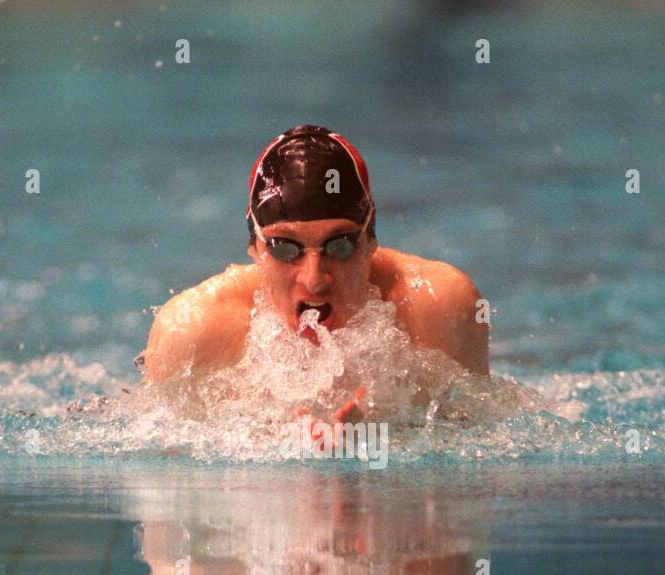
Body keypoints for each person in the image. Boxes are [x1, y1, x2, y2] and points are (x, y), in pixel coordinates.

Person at [139, 125, 490, 402]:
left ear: (370, 242)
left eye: (339, 246)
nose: (315, 280)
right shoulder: (194, 332)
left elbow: (476, 451)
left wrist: (379, 432)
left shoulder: (439, 307)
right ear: (255, 248)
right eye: (285, 249)